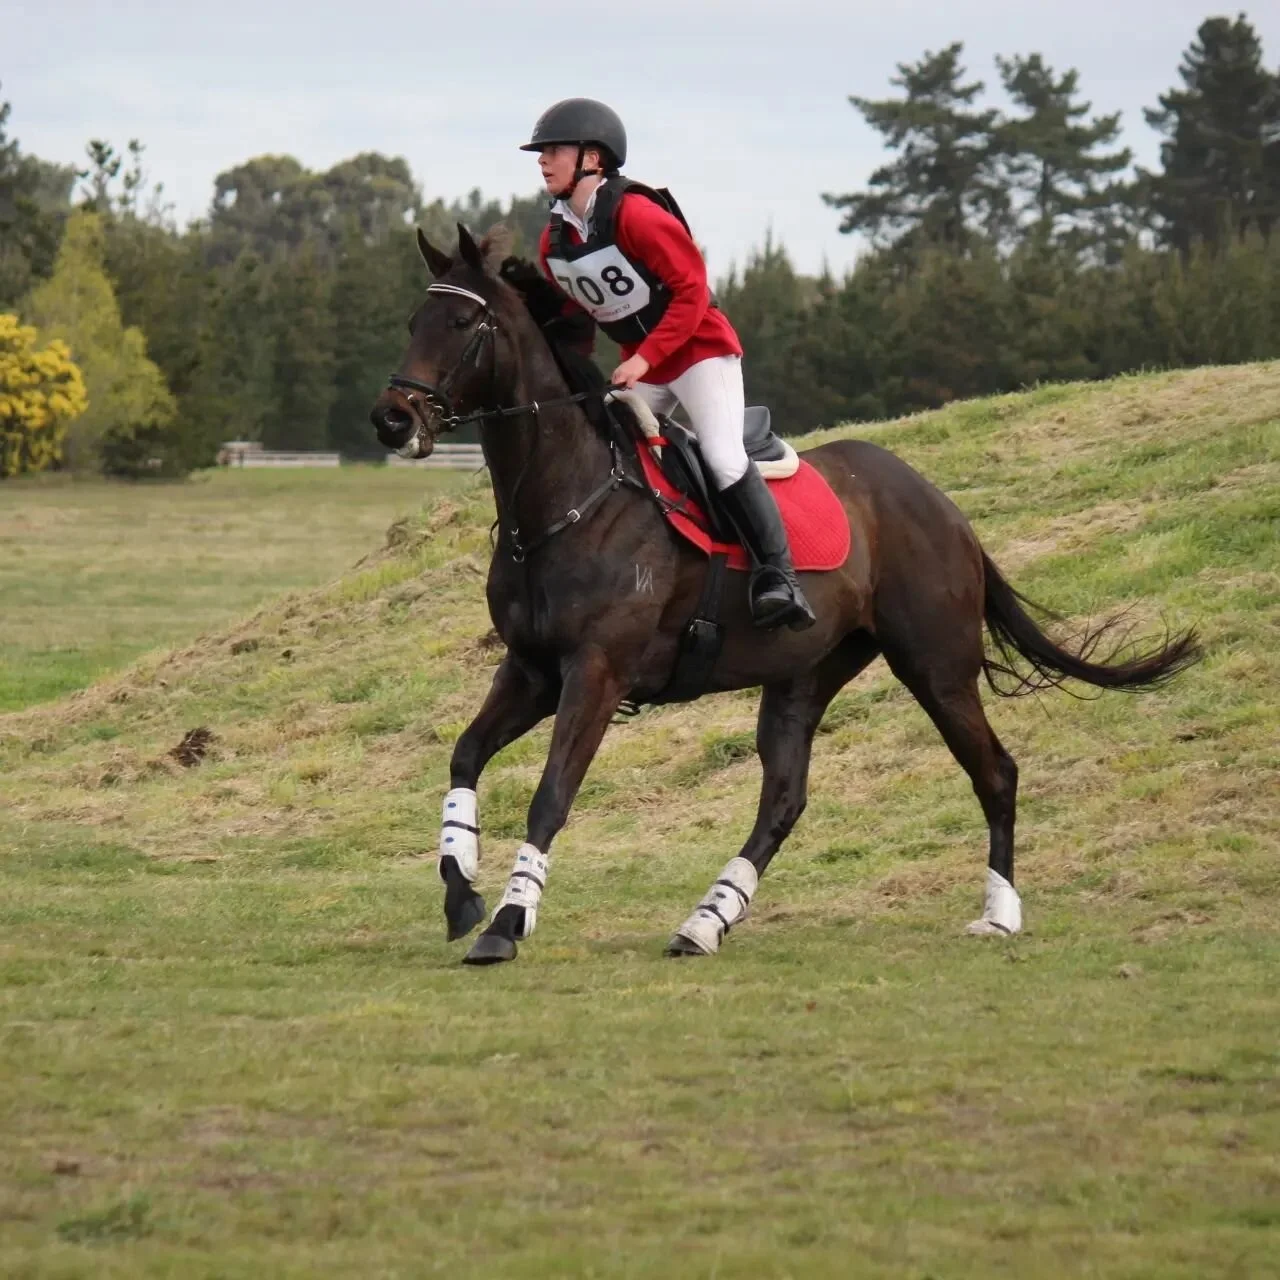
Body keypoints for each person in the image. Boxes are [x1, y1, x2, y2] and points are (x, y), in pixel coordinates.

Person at [520, 98, 816, 632]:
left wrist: (645, 358)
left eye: (554, 150)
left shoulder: (637, 213)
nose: (543, 161)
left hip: (700, 350)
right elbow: (579, 319)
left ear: (593, 158)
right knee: (610, 447)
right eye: (541, 153)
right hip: (646, 366)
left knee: (724, 458)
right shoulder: (554, 239)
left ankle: (780, 575)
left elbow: (692, 292)